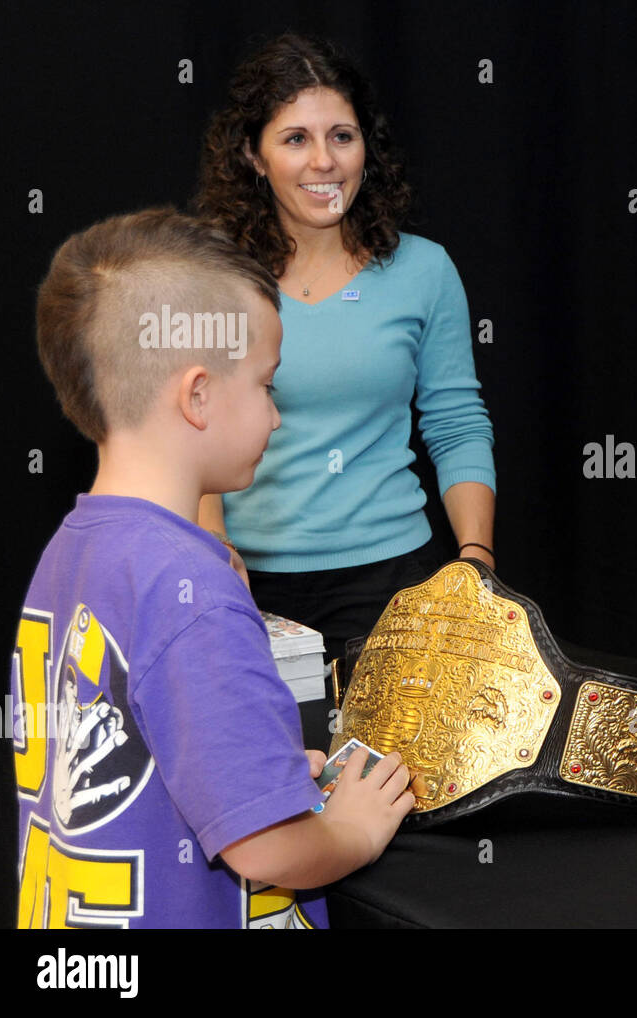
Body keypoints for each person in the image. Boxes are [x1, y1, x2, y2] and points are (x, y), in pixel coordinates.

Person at [15, 207, 414, 928]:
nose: (276, 417)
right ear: (198, 395)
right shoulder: (193, 591)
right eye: (266, 385)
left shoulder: (72, 548)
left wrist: (262, 773)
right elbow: (264, 848)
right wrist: (349, 830)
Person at [191, 33, 497, 694]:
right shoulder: (210, 274)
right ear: (252, 154)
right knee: (274, 793)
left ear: (368, 146)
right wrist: (216, 552)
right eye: (295, 138)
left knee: (395, 794)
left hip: (396, 585)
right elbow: (193, 430)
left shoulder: (425, 269)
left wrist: (475, 559)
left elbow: (456, 421)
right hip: (249, 588)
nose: (323, 162)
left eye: (342, 136)